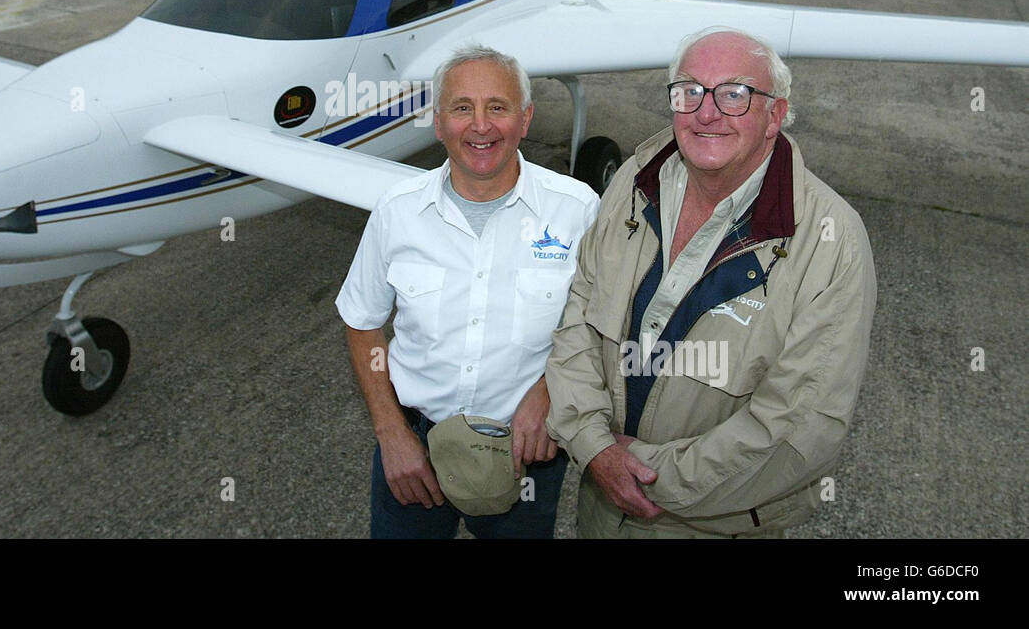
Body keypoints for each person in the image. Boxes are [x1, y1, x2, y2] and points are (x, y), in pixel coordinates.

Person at [546, 27, 877, 538]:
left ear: (776, 115)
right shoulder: (634, 183)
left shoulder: (831, 241)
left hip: (712, 524)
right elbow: (577, 318)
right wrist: (594, 447)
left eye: (735, 94)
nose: (707, 112)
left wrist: (647, 476)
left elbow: (800, 426)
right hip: (600, 510)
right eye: (690, 91)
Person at [336, 45, 599, 538]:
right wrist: (390, 432)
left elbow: (598, 322)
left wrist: (550, 393)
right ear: (438, 123)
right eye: (462, 108)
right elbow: (363, 320)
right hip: (415, 450)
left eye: (497, 107)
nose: (481, 126)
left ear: (525, 119)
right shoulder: (397, 211)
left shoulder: (576, 210)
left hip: (527, 454)